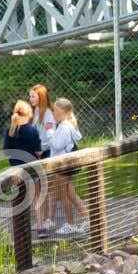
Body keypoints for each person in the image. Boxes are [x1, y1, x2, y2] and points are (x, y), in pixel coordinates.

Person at [47, 97, 89, 236]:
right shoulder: (64, 125)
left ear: (64, 112)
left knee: (65, 194)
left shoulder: (65, 127)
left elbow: (57, 145)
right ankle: (89, 219)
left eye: (55, 111)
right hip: (63, 164)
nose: (53, 114)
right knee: (70, 193)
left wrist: (49, 131)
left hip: (63, 166)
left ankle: (70, 223)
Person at [28, 84, 55, 231]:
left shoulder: (48, 114)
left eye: (33, 96)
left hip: (46, 152)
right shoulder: (36, 112)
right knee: (40, 187)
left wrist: (41, 149)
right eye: (30, 96)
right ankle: (42, 219)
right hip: (38, 152)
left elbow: (50, 136)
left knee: (49, 186)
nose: (30, 98)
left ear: (41, 96)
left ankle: (49, 219)